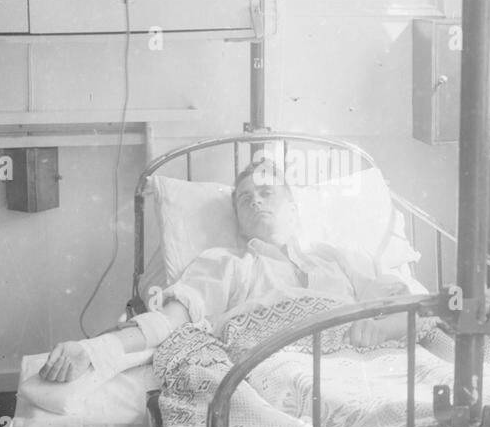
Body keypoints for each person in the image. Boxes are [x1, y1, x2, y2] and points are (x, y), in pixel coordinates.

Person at [39, 159, 421, 387]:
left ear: (293, 207)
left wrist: (380, 328)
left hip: (366, 370)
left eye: (266, 192)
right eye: (243, 198)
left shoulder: (341, 259)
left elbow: (408, 305)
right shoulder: (227, 264)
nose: (254, 199)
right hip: (280, 371)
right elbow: (171, 322)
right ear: (237, 218)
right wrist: (93, 350)